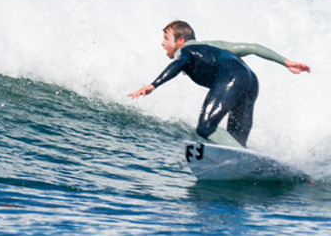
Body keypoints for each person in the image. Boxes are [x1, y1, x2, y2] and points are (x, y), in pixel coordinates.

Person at [129, 20, 309, 146]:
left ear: (180, 41)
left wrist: (153, 85)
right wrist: (286, 62)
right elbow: (253, 47)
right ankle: (260, 167)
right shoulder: (214, 45)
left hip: (232, 78)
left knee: (205, 127)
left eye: (166, 38)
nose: (162, 43)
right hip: (251, 82)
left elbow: (179, 63)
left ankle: (249, 159)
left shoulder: (185, 50)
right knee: (235, 142)